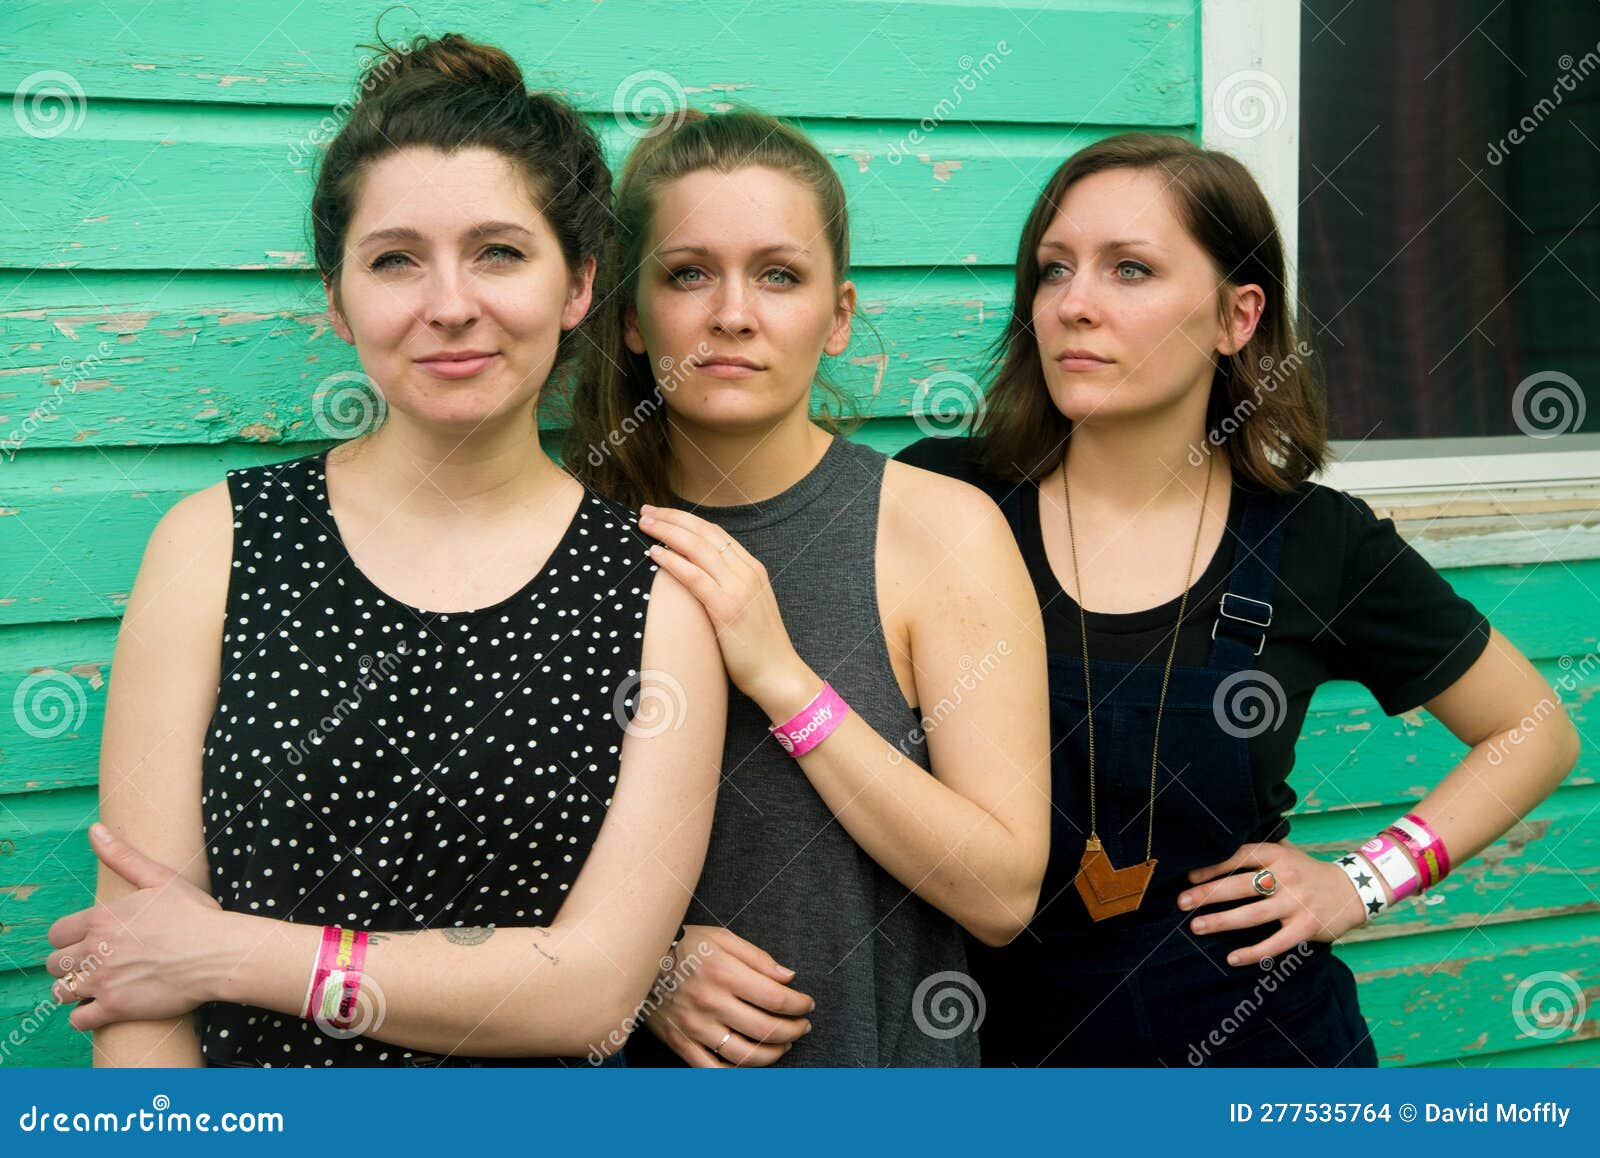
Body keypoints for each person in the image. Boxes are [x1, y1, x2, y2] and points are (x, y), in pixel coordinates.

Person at [42, 32, 726, 1068]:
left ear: (580, 285)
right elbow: (138, 984)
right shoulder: (213, 546)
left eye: (499, 251)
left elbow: (589, 996)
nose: (449, 303)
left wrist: (230, 953)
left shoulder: (656, 592)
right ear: (337, 296)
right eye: (394, 259)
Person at [896, 132, 1581, 1067]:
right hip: (985, 1055)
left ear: (1237, 316)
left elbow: (1535, 727)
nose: (1073, 305)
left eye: (1129, 269)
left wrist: (1365, 879)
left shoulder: (1318, 541)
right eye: (1054, 271)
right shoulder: (941, 498)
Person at [562, 108, 1052, 1067]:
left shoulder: (936, 529)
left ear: (837, 317)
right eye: (687, 273)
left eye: (779, 275)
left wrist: (781, 676)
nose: (733, 313)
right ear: (627, 316)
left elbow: (1001, 894)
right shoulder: (564, 537)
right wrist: (644, 963)